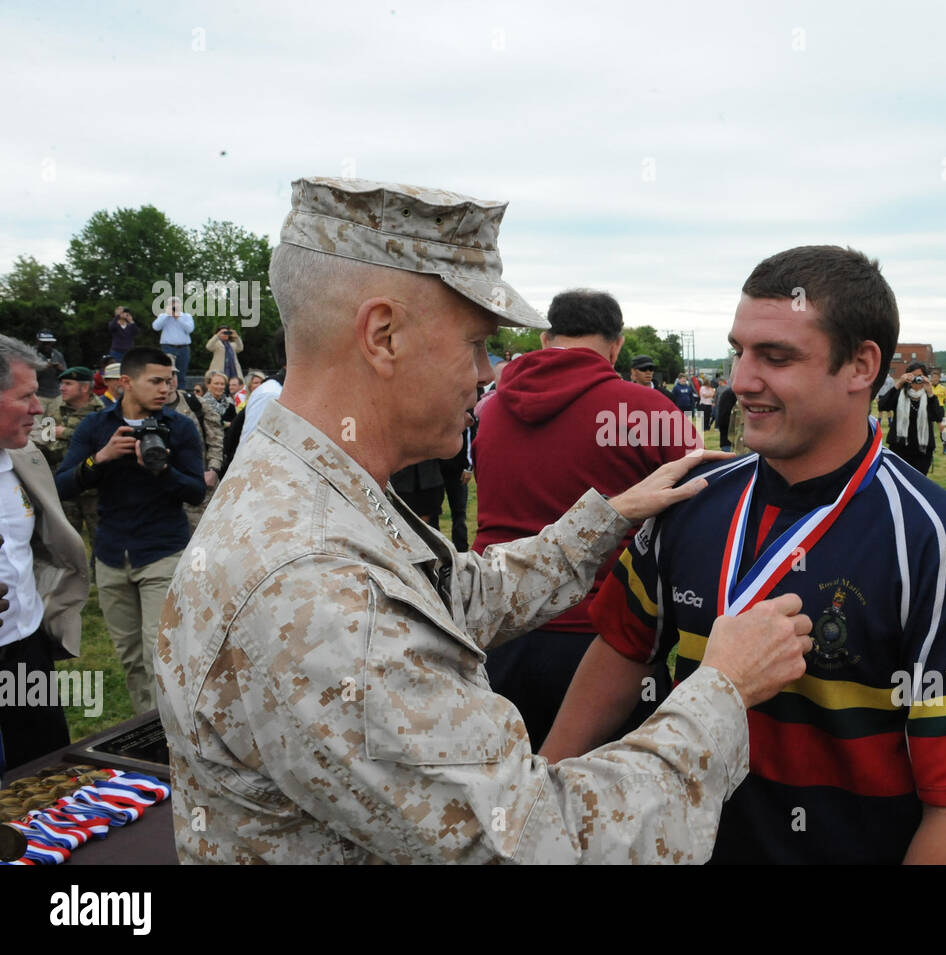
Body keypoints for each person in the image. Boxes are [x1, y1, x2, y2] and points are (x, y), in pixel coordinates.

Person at [154, 177, 814, 865]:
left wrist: (605, 518)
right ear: (383, 336)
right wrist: (723, 689)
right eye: (476, 343)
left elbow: (444, 598)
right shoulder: (311, 581)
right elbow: (533, 838)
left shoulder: (303, 488)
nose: (489, 372)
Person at [542, 245, 946, 864]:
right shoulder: (689, 501)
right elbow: (623, 648)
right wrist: (541, 797)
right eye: (739, 351)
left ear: (861, 365)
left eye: (776, 357)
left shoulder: (941, 543)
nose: (740, 381)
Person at [474, 288, 695, 745]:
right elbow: (705, 494)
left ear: (544, 339)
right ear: (615, 346)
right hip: (601, 641)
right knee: (606, 800)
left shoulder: (489, 410)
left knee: (507, 795)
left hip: (494, 626)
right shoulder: (647, 410)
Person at [55, 346, 204, 713]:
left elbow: (197, 491)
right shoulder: (95, 427)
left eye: (169, 381)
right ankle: (146, 732)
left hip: (162, 550)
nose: (165, 389)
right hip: (110, 553)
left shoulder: (180, 426)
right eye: (155, 381)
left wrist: (163, 471)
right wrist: (100, 458)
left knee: (161, 651)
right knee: (131, 656)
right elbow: (61, 486)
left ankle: (177, 735)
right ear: (126, 383)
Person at [0, 335, 90, 771]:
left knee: (43, 771)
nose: (39, 409)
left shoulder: (24, 457)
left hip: (24, 649)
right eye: (28, 396)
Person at [31, 367, 105, 538]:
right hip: (65, 485)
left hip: (94, 489)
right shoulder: (55, 408)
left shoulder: (101, 412)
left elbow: (102, 443)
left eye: (68, 384)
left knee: (100, 539)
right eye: (62, 384)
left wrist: (66, 433)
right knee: (65, 539)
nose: (61, 388)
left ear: (84, 388)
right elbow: (44, 439)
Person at [163, 362, 224, 532]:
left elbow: (216, 438)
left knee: (202, 543)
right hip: (164, 489)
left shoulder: (195, 404)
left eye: (172, 375)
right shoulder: (146, 409)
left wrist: (213, 469)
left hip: (199, 487)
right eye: (163, 377)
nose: (169, 381)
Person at [876, 361, 943, 475]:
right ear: (907, 377)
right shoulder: (899, 394)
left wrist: (930, 392)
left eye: (919, 376)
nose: (916, 380)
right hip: (899, 448)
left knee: (919, 485)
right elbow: (882, 405)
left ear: (925, 377)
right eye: (912, 376)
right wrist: (899, 384)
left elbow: (938, 416)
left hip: (922, 451)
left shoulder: (929, 397)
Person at [152, 297, 195, 374]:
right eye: (172, 305)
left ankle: (181, 386)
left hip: (183, 348)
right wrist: (167, 315)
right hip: (168, 348)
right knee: (167, 372)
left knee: (182, 372)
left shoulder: (187, 316)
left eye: (176, 305)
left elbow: (190, 329)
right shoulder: (163, 316)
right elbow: (156, 327)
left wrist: (178, 317)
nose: (174, 307)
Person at [33, 331, 66, 399]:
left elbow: (66, 375)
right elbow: (28, 376)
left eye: (49, 343)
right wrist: (42, 368)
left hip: (56, 394)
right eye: (44, 343)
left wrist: (60, 369)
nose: (47, 345)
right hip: (38, 394)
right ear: (38, 342)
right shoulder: (31, 354)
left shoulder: (57, 355)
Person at [930, 370, 946, 455]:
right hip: (930, 409)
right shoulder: (928, 387)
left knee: (942, 429)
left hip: (939, 409)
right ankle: (931, 447)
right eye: (933, 377)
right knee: (929, 429)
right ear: (931, 378)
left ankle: (945, 448)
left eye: (936, 377)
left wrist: (940, 405)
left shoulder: (943, 388)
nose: (935, 379)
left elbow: (945, 400)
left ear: (939, 378)